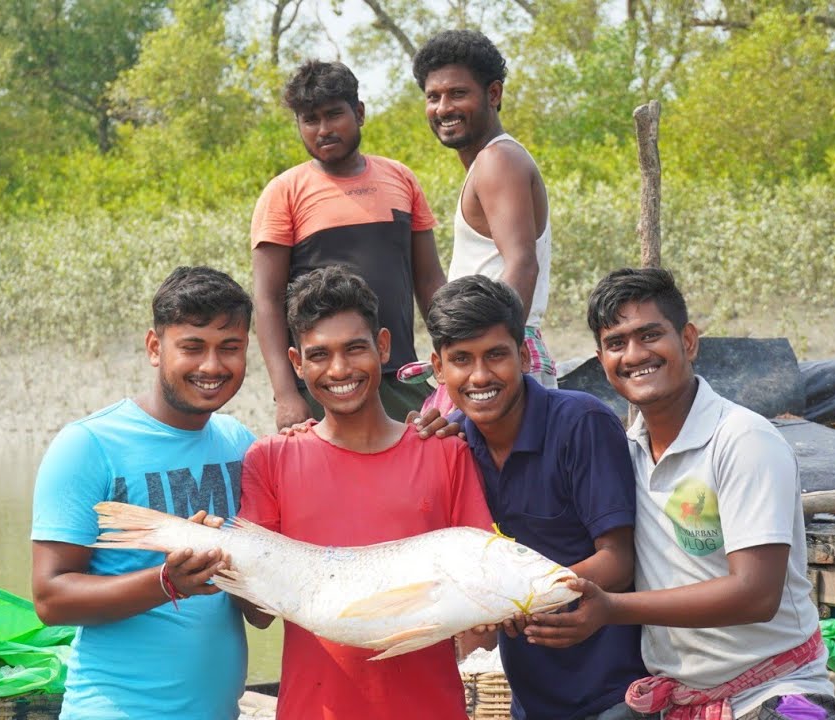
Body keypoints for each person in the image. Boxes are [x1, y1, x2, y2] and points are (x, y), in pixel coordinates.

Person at [525, 268, 835, 720]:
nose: (635, 355)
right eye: (616, 343)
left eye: (650, 335)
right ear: (601, 360)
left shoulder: (741, 440)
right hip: (681, 699)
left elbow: (756, 593)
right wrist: (453, 430)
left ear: (688, 340)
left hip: (769, 691)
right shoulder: (626, 452)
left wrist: (611, 609)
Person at [238, 266, 493, 720]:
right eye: (319, 355)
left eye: (355, 348)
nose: (339, 370)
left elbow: (482, 622)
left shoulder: (445, 452)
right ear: (297, 363)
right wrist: (223, 564)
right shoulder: (270, 460)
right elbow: (259, 616)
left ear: (383, 346)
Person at [31, 267, 263, 719]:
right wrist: (167, 583)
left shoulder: (239, 443)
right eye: (192, 347)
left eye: (229, 347)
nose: (212, 366)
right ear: (155, 348)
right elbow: (50, 598)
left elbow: (258, 610)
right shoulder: (88, 445)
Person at [425, 275, 645, 720]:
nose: (480, 376)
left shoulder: (581, 423)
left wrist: (514, 598)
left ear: (524, 356)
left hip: (617, 694)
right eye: (461, 359)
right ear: (438, 369)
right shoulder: (454, 448)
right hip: (532, 698)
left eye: (496, 355)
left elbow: (619, 561)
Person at [252, 60, 446, 430]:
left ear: (359, 113)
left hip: (400, 375)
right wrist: (287, 394)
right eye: (310, 120)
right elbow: (267, 300)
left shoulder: (401, 178)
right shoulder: (284, 192)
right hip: (324, 382)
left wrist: (453, 355)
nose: (323, 129)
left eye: (334, 114)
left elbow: (429, 280)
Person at [412, 29, 556, 388]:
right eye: (433, 97)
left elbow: (521, 264)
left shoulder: (497, 160)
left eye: (458, 93)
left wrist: (483, 355)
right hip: (495, 351)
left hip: (496, 357)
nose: (443, 108)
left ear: (493, 94)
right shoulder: (490, 161)